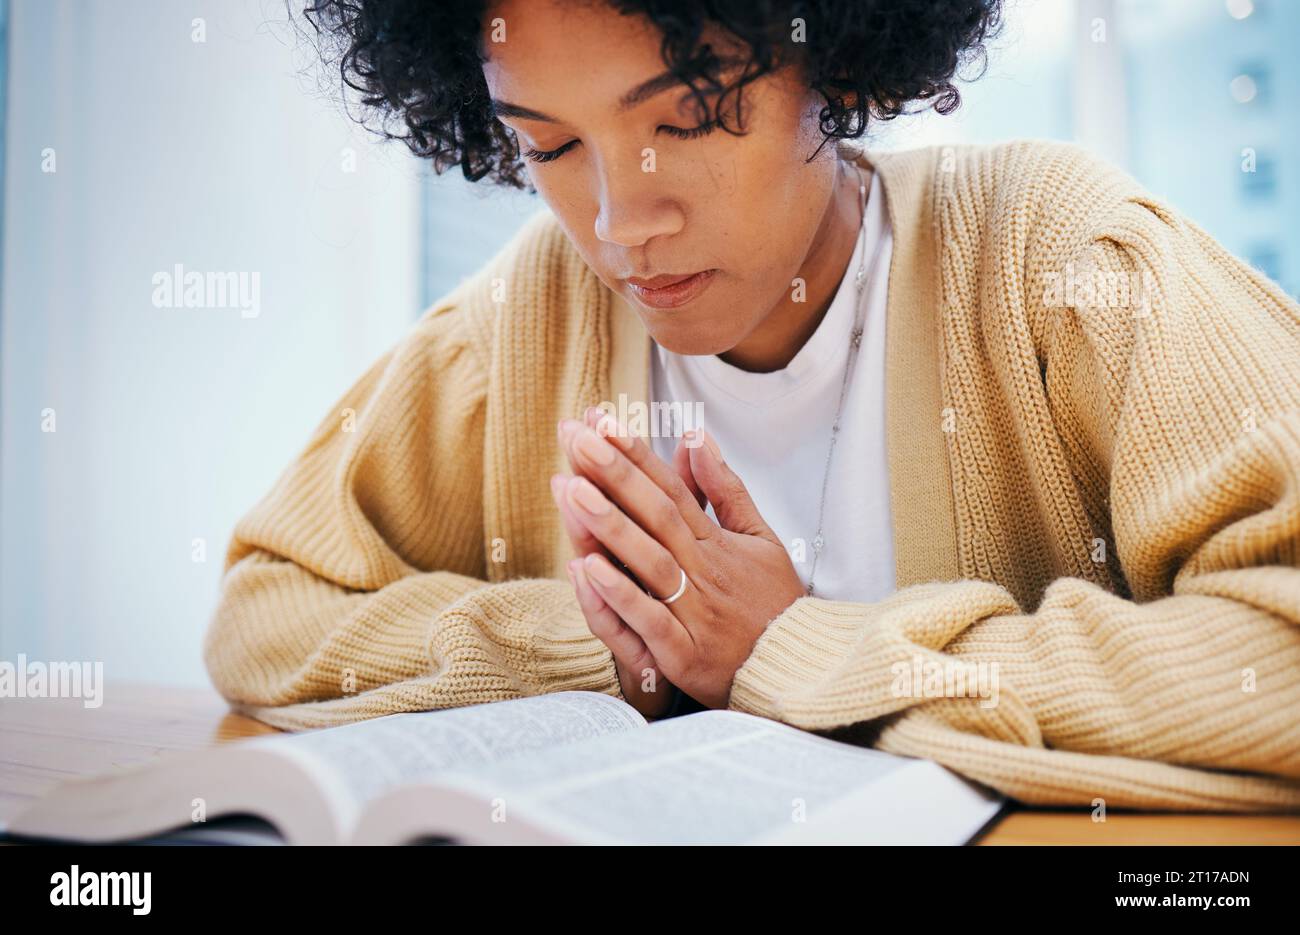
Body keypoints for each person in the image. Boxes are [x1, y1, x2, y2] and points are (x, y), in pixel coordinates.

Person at [202, 0, 1300, 810]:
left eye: (688, 120)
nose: (619, 219)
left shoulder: (1054, 255)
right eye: (550, 143)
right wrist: (612, 646)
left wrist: (789, 649)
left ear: (836, 66)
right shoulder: (523, 321)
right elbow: (269, 608)